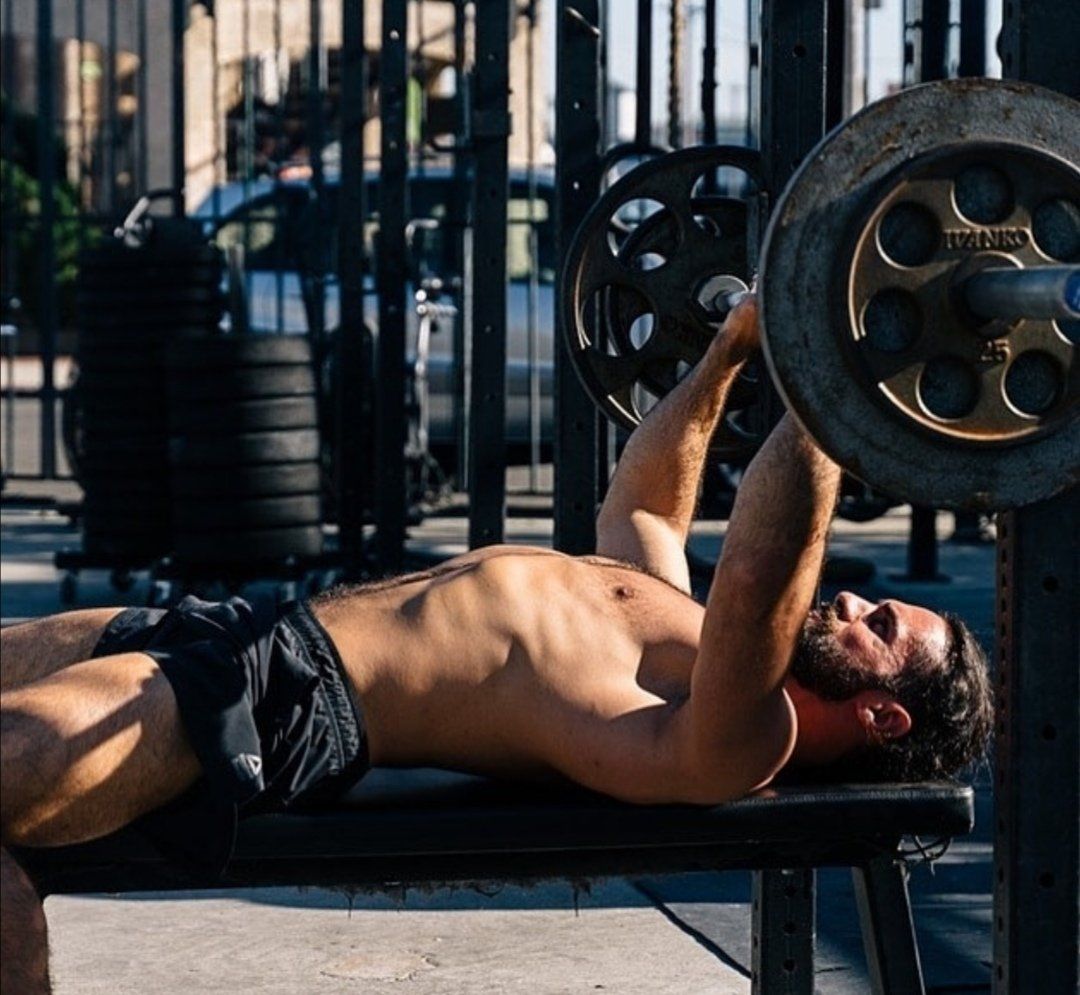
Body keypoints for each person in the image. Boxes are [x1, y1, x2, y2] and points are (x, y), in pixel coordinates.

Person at [0, 294, 991, 994]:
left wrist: (832, 383)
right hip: (235, 627)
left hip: (281, 704)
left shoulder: (745, 734)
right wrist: (732, 349)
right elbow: (648, 497)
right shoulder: (678, 626)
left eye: (882, 627)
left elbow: (763, 569)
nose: (858, 601)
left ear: (883, 711)